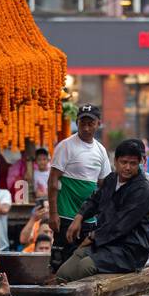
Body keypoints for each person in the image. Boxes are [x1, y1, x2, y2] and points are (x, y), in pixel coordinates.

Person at [56, 139, 149, 282]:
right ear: (115, 161)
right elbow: (95, 200)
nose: (127, 167)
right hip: (105, 244)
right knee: (64, 271)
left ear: (140, 163)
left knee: (84, 266)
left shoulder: (143, 191)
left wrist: (92, 237)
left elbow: (120, 225)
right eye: (124, 162)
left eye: (133, 163)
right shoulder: (111, 179)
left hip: (129, 251)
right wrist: (79, 217)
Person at [48, 104, 112, 268]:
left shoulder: (101, 150)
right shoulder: (65, 145)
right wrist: (53, 213)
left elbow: (104, 185)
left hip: (89, 218)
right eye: (82, 123)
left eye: (90, 123)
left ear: (98, 123)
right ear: (77, 122)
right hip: (65, 215)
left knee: (83, 261)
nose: (86, 127)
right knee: (60, 261)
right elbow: (53, 180)